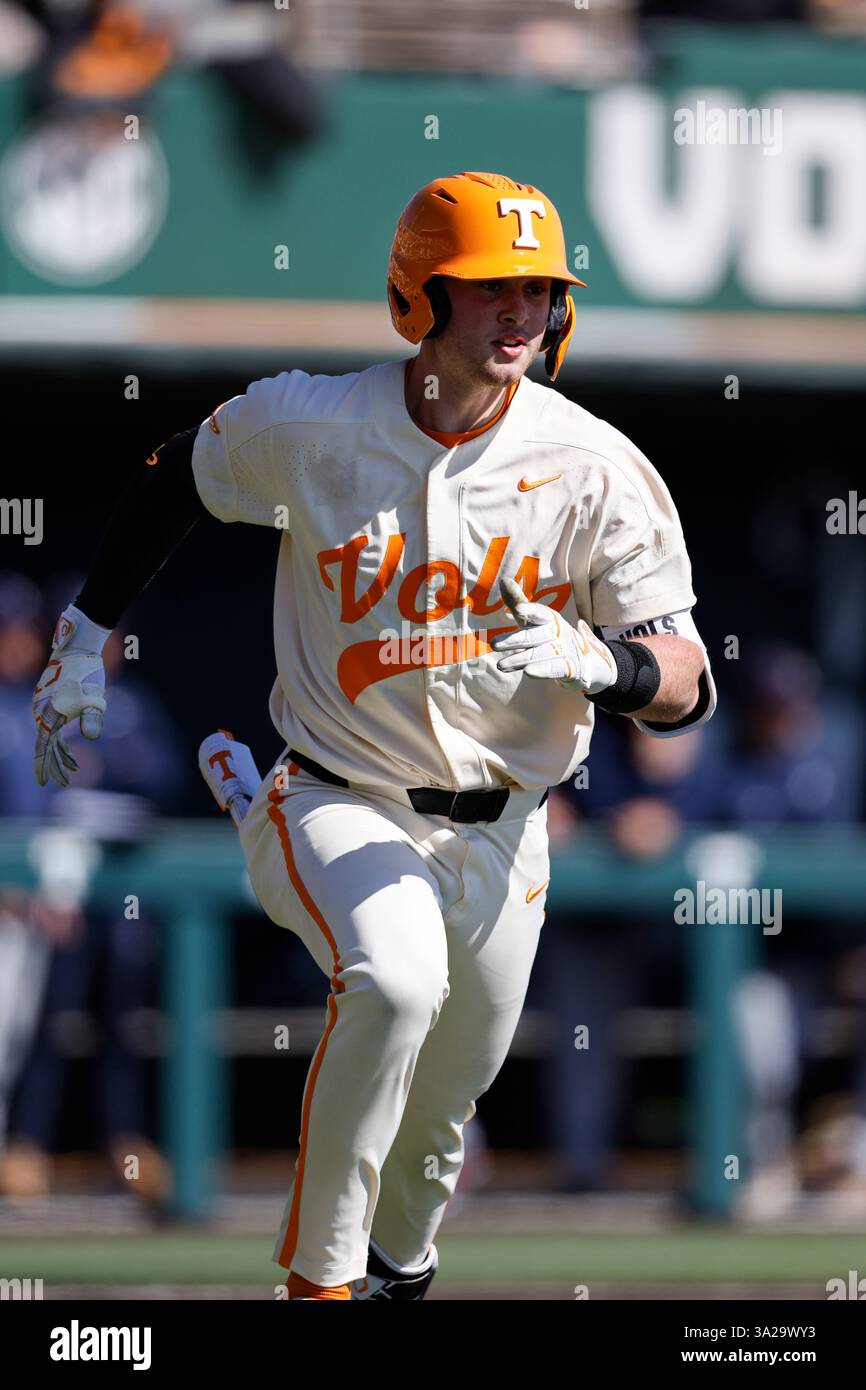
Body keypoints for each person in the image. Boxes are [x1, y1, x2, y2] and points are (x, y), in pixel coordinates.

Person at [31, 170, 715, 1300]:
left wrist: (607, 665)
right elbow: (172, 478)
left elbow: (686, 685)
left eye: (539, 289)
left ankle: (395, 1272)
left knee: (436, 1128)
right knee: (392, 981)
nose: (521, 314)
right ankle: (318, 1285)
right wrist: (83, 637)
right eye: (491, 288)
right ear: (421, 294)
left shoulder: (595, 466)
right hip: (334, 790)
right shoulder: (311, 424)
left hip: (506, 838)